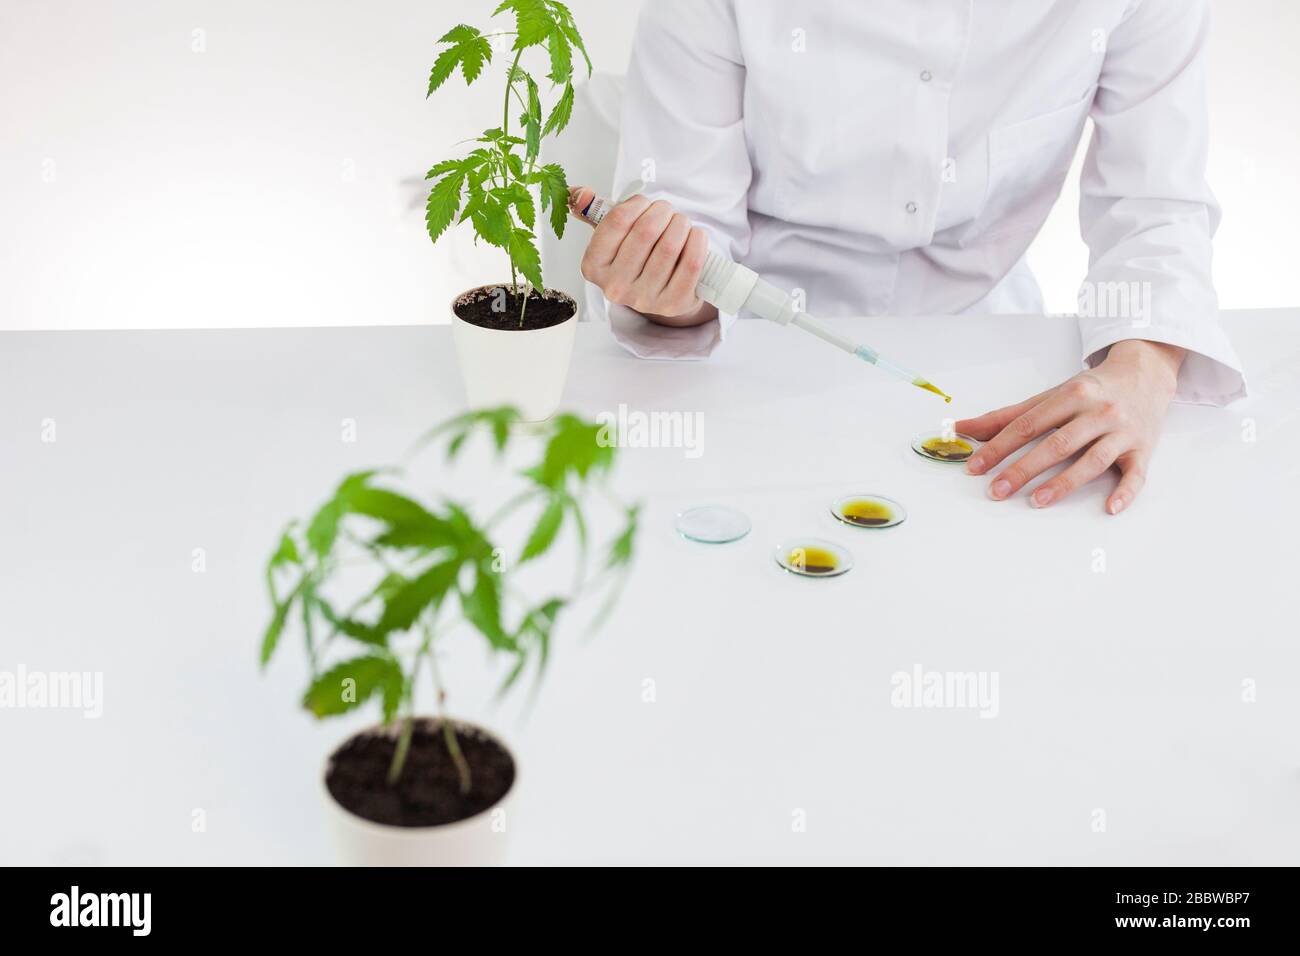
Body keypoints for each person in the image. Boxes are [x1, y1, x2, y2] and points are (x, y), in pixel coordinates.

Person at [572, 0, 1244, 515]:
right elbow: (691, 223)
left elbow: (1155, 204)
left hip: (990, 359)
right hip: (750, 354)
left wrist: (1144, 369)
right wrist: (671, 289)